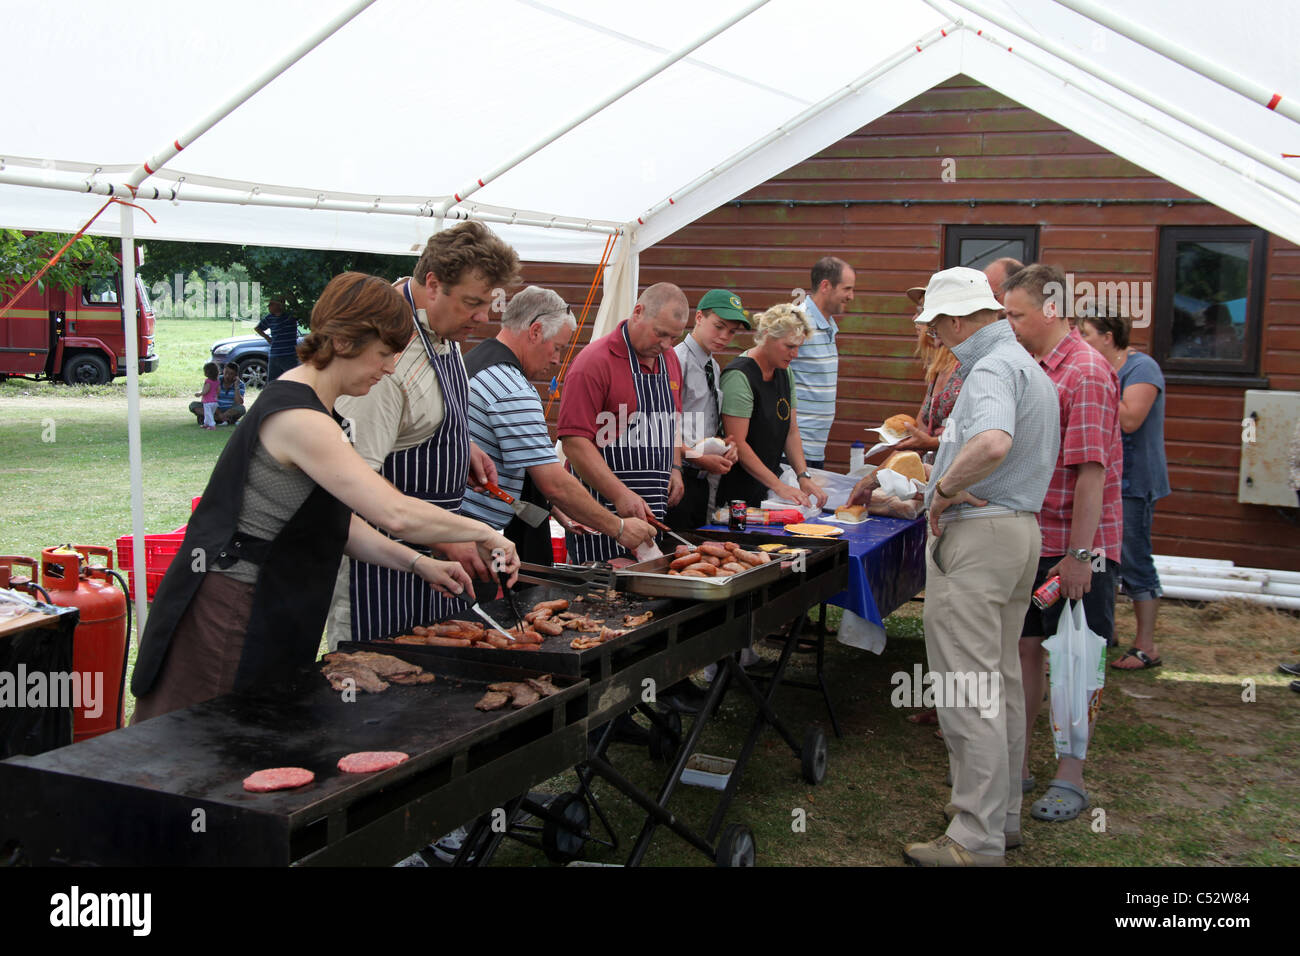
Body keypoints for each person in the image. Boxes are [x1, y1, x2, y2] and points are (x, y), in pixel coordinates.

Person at [131, 273, 519, 721]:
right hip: (231, 603)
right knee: (203, 743)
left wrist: (417, 562)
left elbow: (336, 520)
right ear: (345, 341)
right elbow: (391, 511)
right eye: (383, 354)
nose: (391, 367)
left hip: (270, 602)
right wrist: (485, 532)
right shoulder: (300, 417)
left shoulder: (321, 411)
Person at [895, 266, 1059, 867]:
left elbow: (992, 443)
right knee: (1000, 683)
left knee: (968, 688)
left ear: (959, 318)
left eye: (937, 323)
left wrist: (941, 493)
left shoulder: (989, 368)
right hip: (1017, 535)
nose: (935, 335)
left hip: (980, 538)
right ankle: (1000, 815)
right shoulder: (1026, 367)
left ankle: (975, 837)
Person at [327, 221, 520, 647]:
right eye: (472, 303)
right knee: (377, 689)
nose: (482, 318)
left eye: (487, 303)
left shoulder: (442, 328)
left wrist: (456, 443)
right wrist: (441, 537)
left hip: (435, 559)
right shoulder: (383, 353)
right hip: (378, 572)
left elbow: (417, 414)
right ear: (432, 283)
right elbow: (351, 482)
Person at [1003, 264, 1123, 824]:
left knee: (1077, 658)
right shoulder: (1032, 366)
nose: (1009, 324)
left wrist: (1079, 556)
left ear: (1050, 311)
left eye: (1016, 315)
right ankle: (1021, 760)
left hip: (1078, 542)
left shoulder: (1087, 373)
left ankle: (1070, 776)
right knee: (1026, 646)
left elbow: (1092, 474)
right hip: (1034, 531)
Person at [460, 286, 656, 562]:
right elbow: (556, 483)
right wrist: (619, 528)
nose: (557, 360)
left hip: (451, 530)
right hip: (468, 540)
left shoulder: (472, 362)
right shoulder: (513, 389)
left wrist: (551, 507)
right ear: (536, 331)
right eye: (558, 348)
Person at [557, 283, 689, 563]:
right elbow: (574, 443)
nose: (666, 345)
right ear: (638, 312)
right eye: (660, 333)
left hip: (652, 510)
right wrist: (619, 494)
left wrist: (675, 466)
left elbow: (671, 420)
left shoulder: (670, 360)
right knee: (602, 600)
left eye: (674, 338)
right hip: (600, 514)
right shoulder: (593, 363)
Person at [1078, 311, 1170, 671]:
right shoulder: (1100, 367)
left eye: (1086, 334)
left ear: (1109, 336)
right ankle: (1108, 630)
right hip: (1107, 480)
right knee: (1105, 562)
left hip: (1134, 482)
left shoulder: (1142, 368)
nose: (1081, 342)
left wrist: (1094, 383)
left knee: (1134, 559)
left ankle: (1147, 646)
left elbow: (1130, 419)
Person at [718, 303, 828, 510]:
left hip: (767, 484)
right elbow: (738, 443)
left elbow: (791, 431)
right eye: (789, 346)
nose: (795, 354)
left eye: (798, 347)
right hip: (738, 488)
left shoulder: (785, 372)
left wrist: (803, 475)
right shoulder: (739, 376)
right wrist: (779, 486)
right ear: (767, 335)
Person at [665, 289, 746, 529]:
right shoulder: (676, 359)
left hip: (702, 479)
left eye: (731, 331)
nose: (724, 336)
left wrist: (725, 446)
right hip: (677, 474)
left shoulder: (713, 365)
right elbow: (665, 427)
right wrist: (698, 458)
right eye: (718, 326)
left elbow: (701, 423)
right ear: (699, 317)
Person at [789, 256, 855, 468]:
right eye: (847, 289)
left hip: (815, 450)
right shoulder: (798, 321)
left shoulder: (828, 324)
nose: (851, 296)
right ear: (826, 285)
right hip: (792, 451)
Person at [255, 297, 299, 381]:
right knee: (272, 381)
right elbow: (258, 328)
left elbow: (297, 308)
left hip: (289, 354)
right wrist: (267, 338)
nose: (269, 307)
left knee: (293, 380)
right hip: (274, 355)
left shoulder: (290, 316)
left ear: (279, 305)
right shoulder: (269, 318)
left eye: (271, 304)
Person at [191, 362, 247, 427]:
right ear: (223, 371)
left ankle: (212, 418)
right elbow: (208, 398)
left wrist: (236, 387)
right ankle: (223, 419)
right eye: (226, 373)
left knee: (241, 409)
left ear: (236, 375)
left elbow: (239, 402)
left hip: (229, 410)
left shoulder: (240, 384)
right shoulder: (215, 380)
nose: (227, 376)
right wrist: (219, 413)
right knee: (193, 405)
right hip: (214, 408)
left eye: (231, 374)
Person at [195, 361, 219, 429]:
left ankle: (212, 425)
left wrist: (200, 394)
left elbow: (206, 390)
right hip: (214, 401)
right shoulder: (217, 381)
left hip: (208, 401)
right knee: (209, 413)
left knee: (208, 414)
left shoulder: (208, 381)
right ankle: (206, 423)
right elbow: (218, 390)